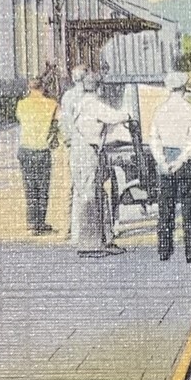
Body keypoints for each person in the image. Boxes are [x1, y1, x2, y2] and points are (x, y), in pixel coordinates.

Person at [67, 69, 130, 255]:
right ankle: (90, 244)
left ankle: (103, 238)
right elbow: (114, 116)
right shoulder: (93, 104)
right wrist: (128, 115)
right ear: (98, 88)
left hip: (81, 151)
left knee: (96, 194)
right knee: (90, 196)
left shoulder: (82, 102)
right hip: (87, 152)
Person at [149, 72, 191, 263]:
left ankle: (164, 250)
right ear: (183, 88)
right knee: (189, 208)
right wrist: (180, 160)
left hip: (164, 162)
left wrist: (163, 161)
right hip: (185, 163)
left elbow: (154, 140)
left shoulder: (160, 111)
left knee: (165, 209)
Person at [14, 76, 59, 234]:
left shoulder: (21, 104)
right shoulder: (52, 104)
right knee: (43, 188)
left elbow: (19, 118)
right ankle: (40, 221)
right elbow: (57, 124)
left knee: (30, 187)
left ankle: (32, 223)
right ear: (43, 87)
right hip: (42, 150)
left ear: (29, 87)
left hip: (25, 149)